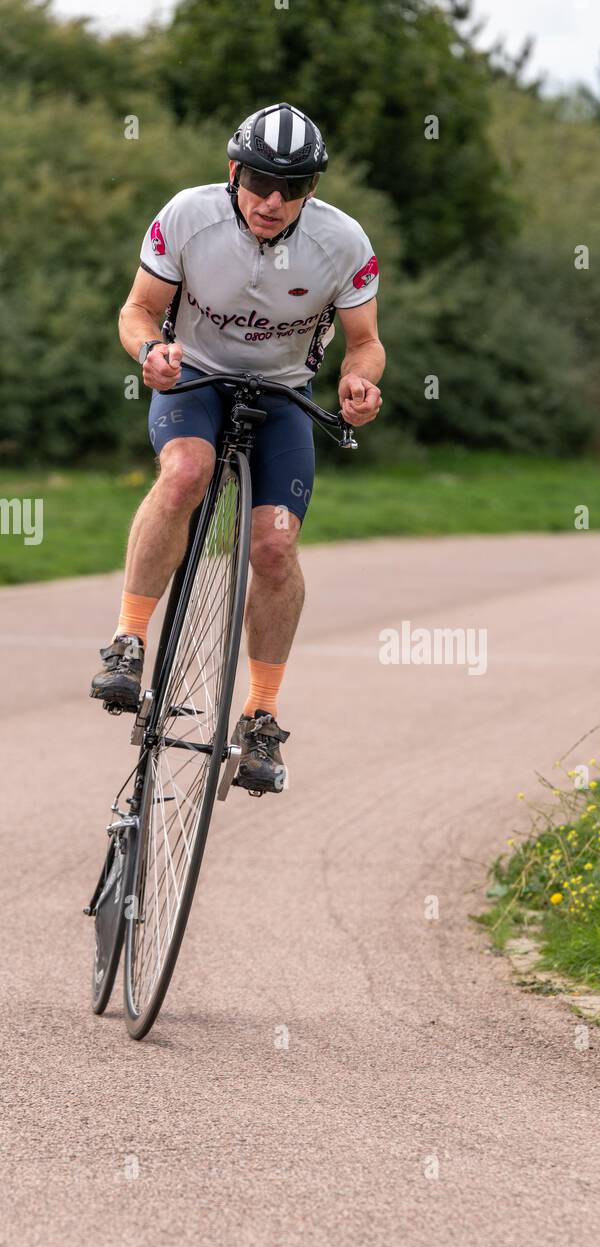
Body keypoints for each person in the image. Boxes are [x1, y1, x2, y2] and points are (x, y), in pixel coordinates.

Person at [91, 103, 384, 793]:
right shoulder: (189, 216)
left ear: (313, 188)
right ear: (233, 170)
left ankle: (261, 714)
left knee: (276, 545)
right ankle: (130, 638)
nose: (273, 200)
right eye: (258, 180)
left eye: (294, 185)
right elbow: (136, 310)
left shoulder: (342, 242)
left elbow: (366, 344)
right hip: (193, 375)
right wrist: (151, 351)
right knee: (187, 470)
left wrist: (358, 385)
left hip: (282, 393)